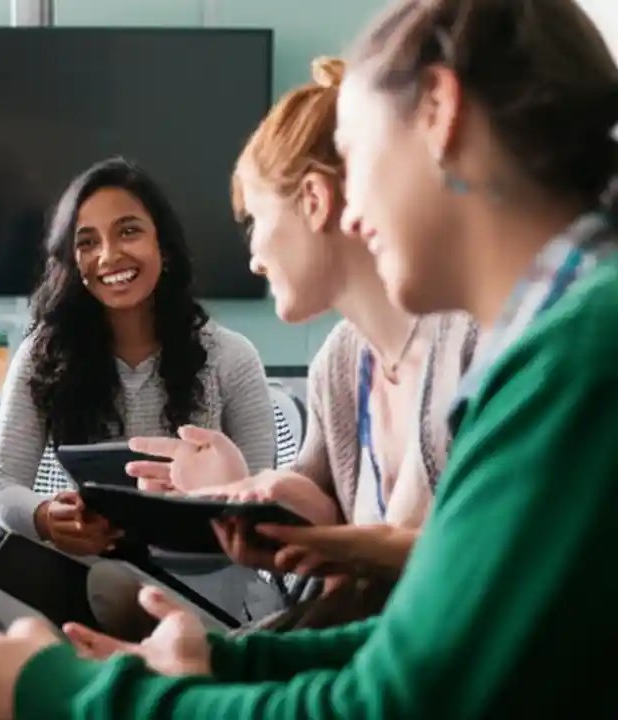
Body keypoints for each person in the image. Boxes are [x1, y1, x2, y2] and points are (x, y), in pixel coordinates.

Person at [0, 0, 618, 716]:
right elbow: (422, 642)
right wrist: (226, 658)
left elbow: (392, 701)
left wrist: (61, 691)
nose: (350, 214)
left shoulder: (576, 359)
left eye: (355, 157)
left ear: (439, 115)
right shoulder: (565, 339)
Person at [126, 57, 478, 630]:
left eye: (255, 220)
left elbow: (482, 566)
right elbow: (315, 527)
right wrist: (236, 489)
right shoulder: (340, 363)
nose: (254, 257)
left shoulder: (470, 340)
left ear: (314, 200)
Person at [0, 157, 274, 559]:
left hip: (204, 578)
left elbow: (264, 499)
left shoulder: (231, 357)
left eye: (128, 231)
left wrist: (218, 493)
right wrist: (45, 517)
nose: (108, 256)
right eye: (87, 242)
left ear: (165, 247)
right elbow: (3, 489)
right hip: (83, 577)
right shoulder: (41, 356)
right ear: (71, 262)